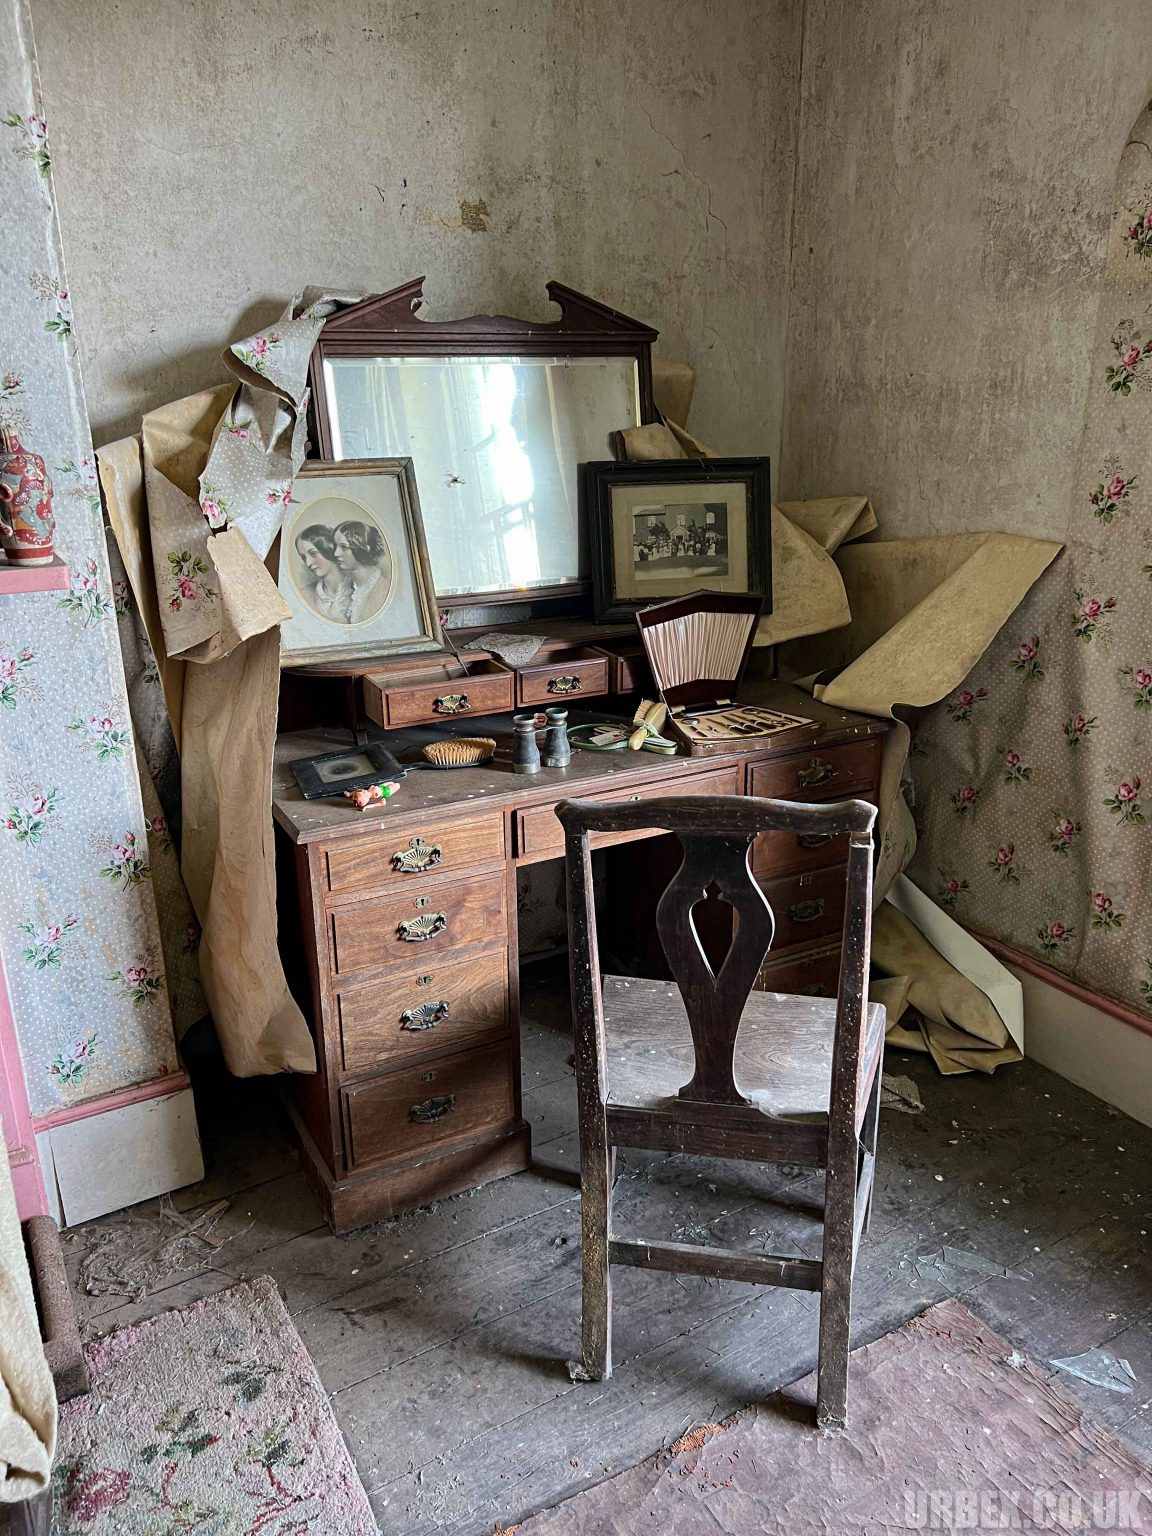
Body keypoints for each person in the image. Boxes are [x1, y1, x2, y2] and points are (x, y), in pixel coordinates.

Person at [334, 519, 390, 622]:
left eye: (344, 547)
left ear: (361, 549)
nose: (336, 553)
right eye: (336, 546)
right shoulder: (345, 586)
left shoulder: (381, 590)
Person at [294, 525, 353, 622]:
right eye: (303, 557)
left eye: (313, 554)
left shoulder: (357, 589)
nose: (308, 563)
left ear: (327, 549)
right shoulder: (307, 594)